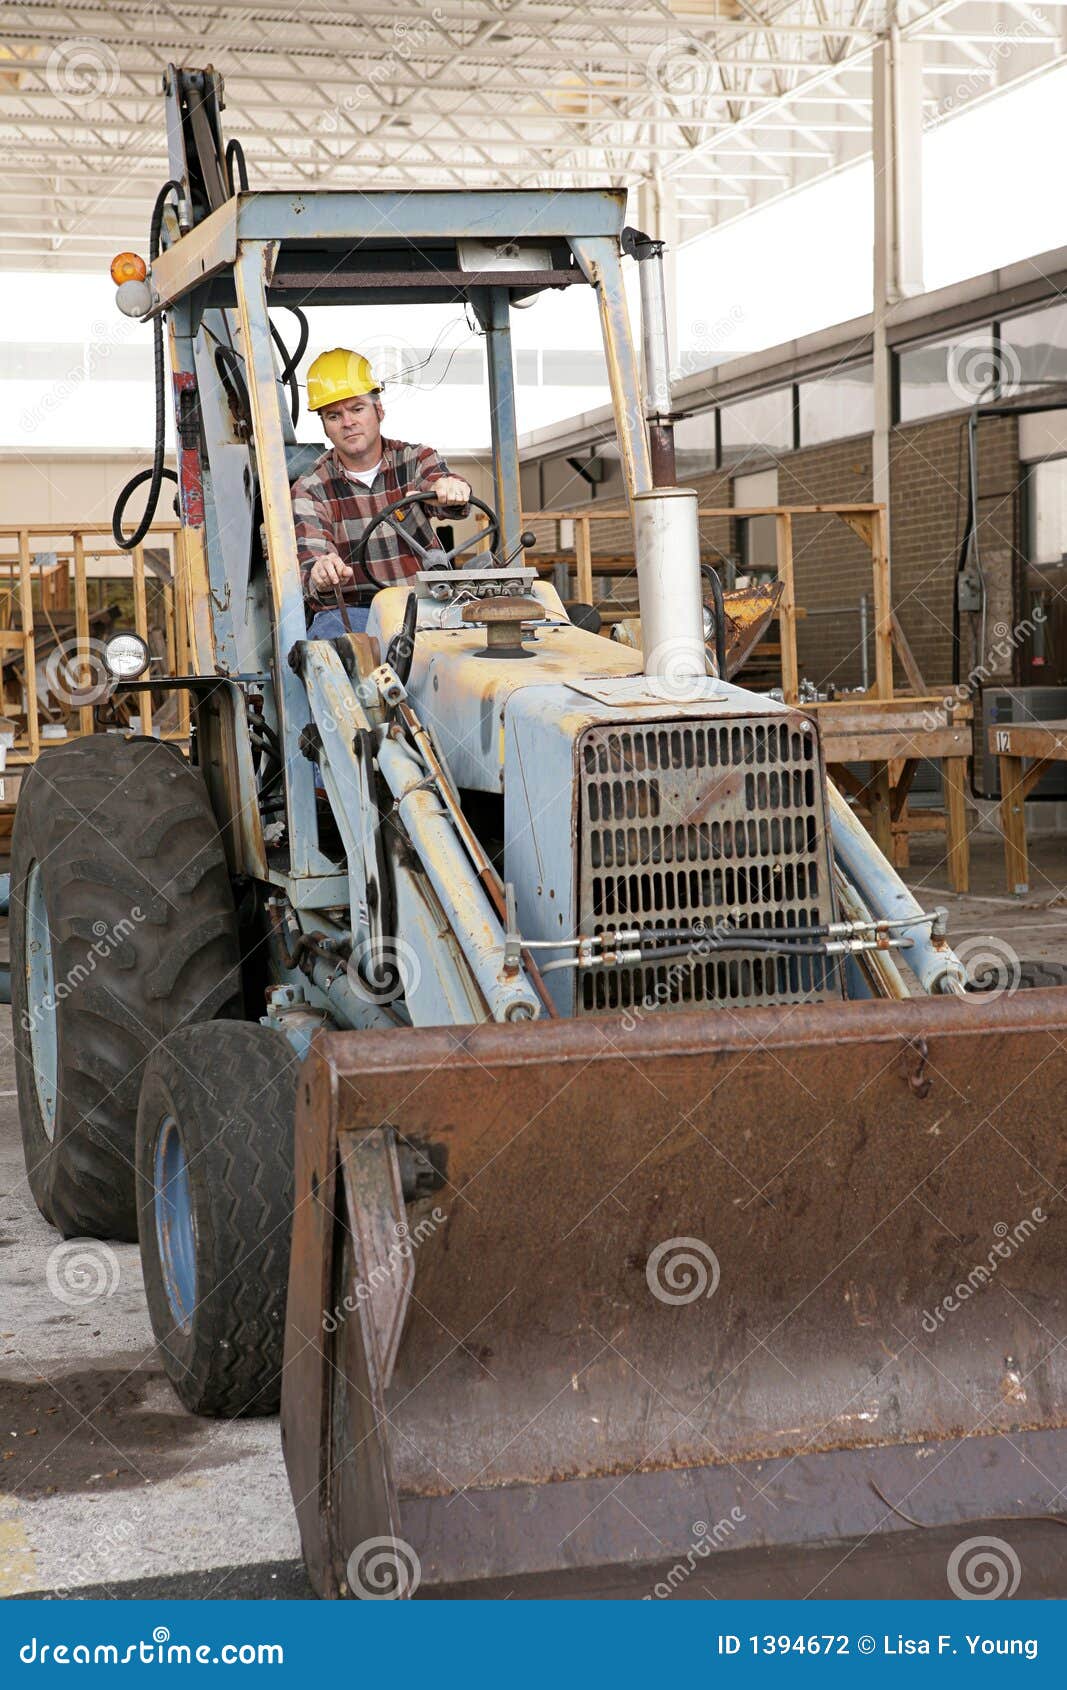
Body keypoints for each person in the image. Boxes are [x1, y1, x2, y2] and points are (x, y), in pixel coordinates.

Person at [291, 347, 471, 637]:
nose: (348, 422)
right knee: (328, 643)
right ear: (324, 426)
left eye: (357, 409)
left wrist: (452, 488)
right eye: (334, 415)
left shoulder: (415, 460)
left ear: (379, 410)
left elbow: (441, 486)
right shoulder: (310, 488)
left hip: (427, 603)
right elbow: (313, 554)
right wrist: (322, 570)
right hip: (357, 612)